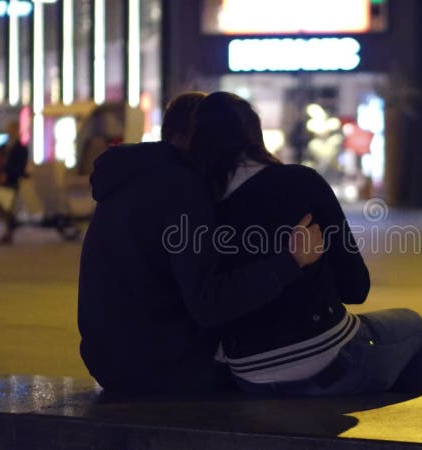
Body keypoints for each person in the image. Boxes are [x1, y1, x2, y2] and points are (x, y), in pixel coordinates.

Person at [187, 92, 422, 396]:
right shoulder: (301, 182)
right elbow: (356, 287)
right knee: (414, 329)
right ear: (254, 135)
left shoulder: (199, 205)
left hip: (248, 375)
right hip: (330, 361)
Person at [77, 92, 325, 395]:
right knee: (279, 369)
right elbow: (207, 302)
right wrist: (289, 262)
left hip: (108, 360)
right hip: (160, 366)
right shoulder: (183, 188)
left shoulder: (133, 177)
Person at [0, 121, 29, 244]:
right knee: (3, 205)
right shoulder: (7, 146)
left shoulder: (21, 148)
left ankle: (10, 230)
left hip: (12, 181)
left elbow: (18, 166)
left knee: (6, 206)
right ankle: (10, 228)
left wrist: (7, 175)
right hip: (6, 181)